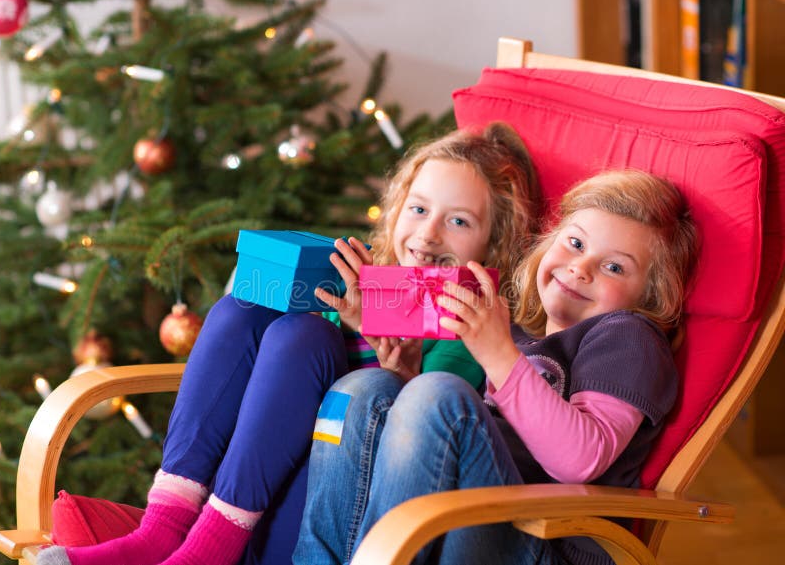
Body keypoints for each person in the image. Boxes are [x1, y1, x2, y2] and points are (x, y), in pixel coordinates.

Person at [36, 120, 539, 565]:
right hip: (246, 500)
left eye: (458, 221)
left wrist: (393, 354)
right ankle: (163, 529)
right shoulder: (363, 273)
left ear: (494, 244)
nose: (427, 234)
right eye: (419, 208)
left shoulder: (471, 329)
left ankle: (207, 547)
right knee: (244, 310)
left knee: (306, 335)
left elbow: (410, 454)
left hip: (326, 517)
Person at [293, 169, 699, 565]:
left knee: (438, 392)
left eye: (615, 267)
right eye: (575, 243)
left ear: (650, 294)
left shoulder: (629, 337)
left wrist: (497, 355)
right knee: (365, 388)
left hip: (546, 542)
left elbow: (580, 461)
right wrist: (405, 375)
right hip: (481, 518)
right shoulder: (525, 334)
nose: (581, 267)